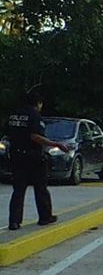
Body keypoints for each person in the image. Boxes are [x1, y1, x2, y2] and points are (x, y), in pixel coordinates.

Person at [6, 90, 69, 231]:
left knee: (18, 189)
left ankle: (14, 221)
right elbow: (35, 136)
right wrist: (55, 144)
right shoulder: (34, 115)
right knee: (40, 187)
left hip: (16, 155)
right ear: (37, 103)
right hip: (32, 156)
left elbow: (8, 133)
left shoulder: (14, 115)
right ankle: (45, 217)